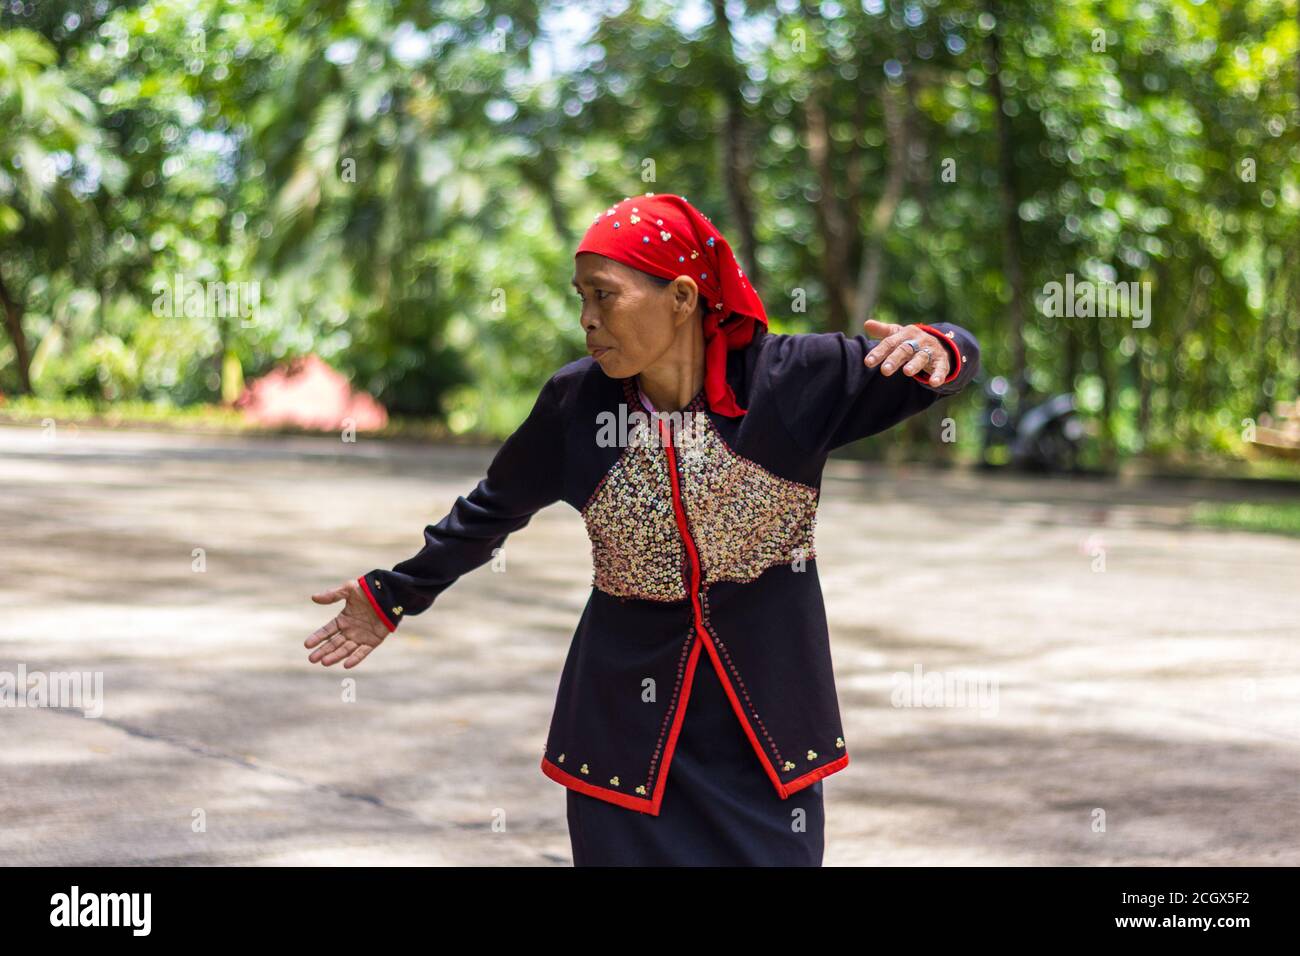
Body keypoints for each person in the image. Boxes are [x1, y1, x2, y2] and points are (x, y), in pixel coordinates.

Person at [305, 192, 980, 866]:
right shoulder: (574, 405)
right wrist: (393, 594)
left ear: (682, 298)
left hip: (766, 733)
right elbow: (488, 512)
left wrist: (941, 347)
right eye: (582, 299)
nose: (586, 320)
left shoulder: (791, 381)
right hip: (624, 739)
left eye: (604, 296)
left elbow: (941, 362)